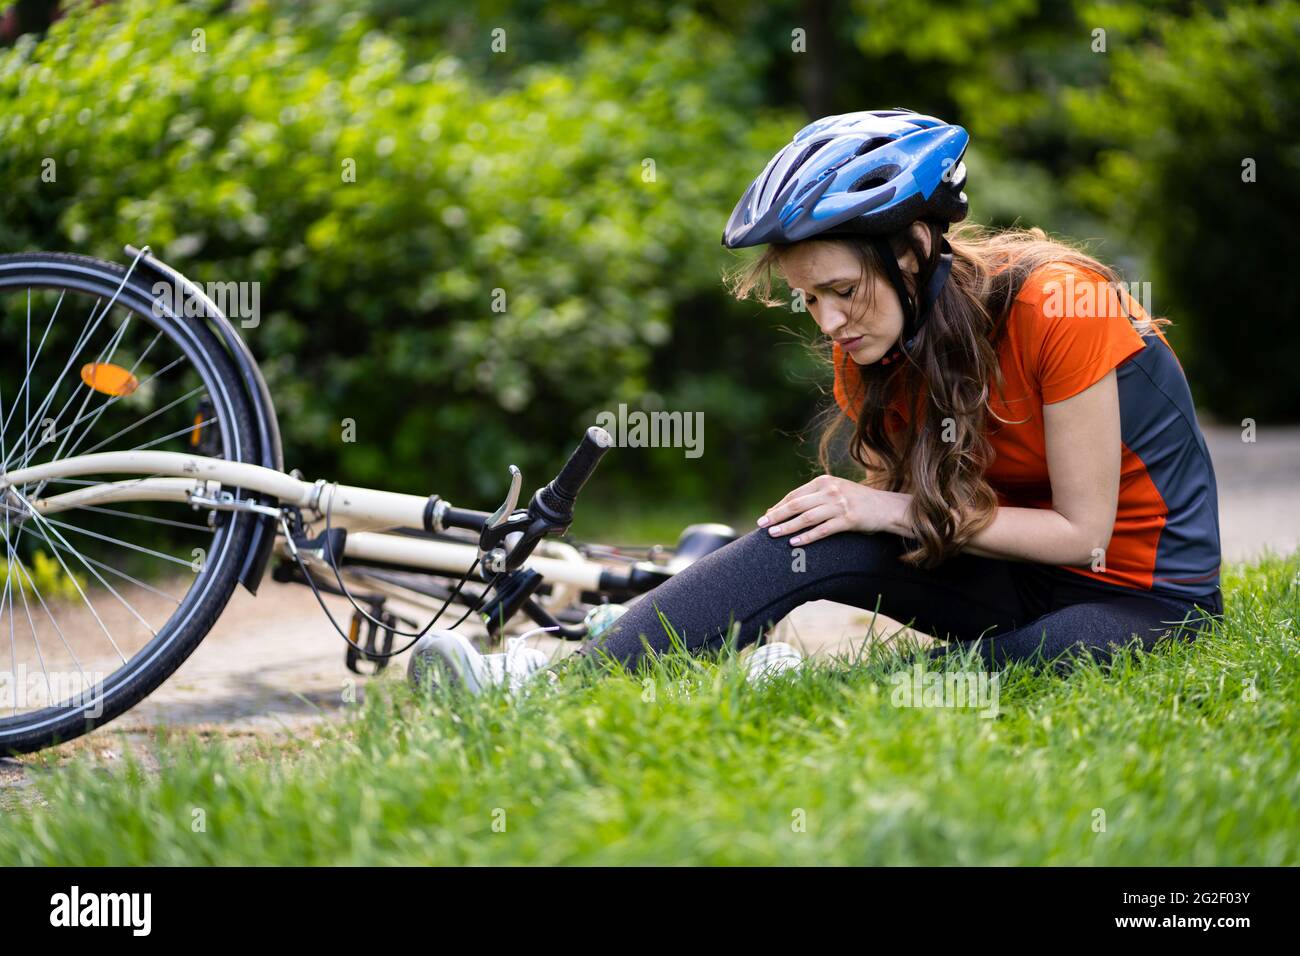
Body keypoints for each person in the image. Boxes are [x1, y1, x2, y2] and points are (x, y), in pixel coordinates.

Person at [411, 107, 1224, 690]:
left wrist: (892, 510)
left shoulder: (1057, 302)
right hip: (1005, 576)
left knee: (925, 688)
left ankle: (764, 677)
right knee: (810, 528)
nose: (829, 323)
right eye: (809, 299)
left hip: (1138, 598)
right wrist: (824, 539)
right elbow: (900, 521)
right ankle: (552, 682)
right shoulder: (872, 348)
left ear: (913, 249)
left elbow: (1081, 533)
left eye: (842, 289)